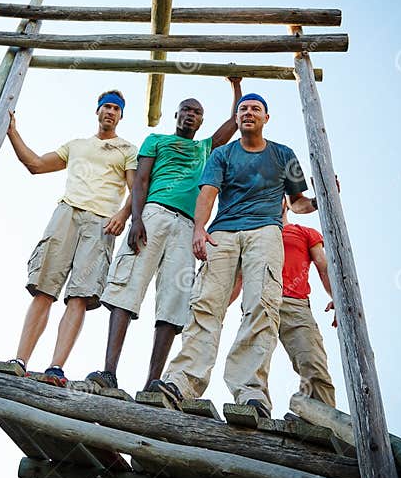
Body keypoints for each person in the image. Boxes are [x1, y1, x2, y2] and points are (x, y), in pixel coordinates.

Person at [151, 93, 318, 418]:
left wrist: (319, 200)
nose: (248, 112)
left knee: (260, 307)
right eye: (243, 108)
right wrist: (200, 229)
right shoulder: (224, 153)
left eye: (255, 108)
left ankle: (251, 393)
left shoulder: (283, 154)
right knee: (205, 305)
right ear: (238, 117)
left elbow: (297, 202)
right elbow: (208, 192)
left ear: (266, 117)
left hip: (266, 232)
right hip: (224, 231)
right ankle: (181, 382)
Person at [86, 78, 243, 392]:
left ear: (201, 121)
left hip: (187, 225)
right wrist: (136, 219)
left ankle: (152, 383)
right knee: (128, 286)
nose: (190, 115)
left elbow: (234, 122)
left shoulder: (205, 148)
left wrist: (236, 86)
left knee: (174, 300)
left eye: (196, 112)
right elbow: (141, 181)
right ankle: (109, 373)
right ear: (176, 115)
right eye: (185, 110)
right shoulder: (156, 140)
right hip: (154, 215)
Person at [7, 90, 137, 384]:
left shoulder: (127, 149)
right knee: (44, 287)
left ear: (120, 116)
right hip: (67, 214)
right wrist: (12, 133)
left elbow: (135, 189)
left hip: (102, 221)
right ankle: (20, 359)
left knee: (80, 294)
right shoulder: (77, 145)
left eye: (116, 109)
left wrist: (123, 215)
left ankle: (55, 367)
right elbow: (36, 165)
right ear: (98, 111)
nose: (110, 112)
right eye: (106, 107)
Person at [228, 199, 336, 406]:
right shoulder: (253, 235)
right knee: (253, 353)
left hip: (296, 304)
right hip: (262, 297)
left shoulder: (304, 232)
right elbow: (240, 278)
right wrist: (221, 308)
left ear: (285, 203)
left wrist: (336, 299)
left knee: (312, 361)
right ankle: (252, 402)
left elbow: (323, 267)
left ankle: (322, 415)